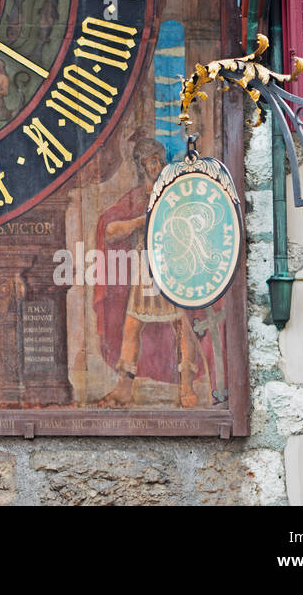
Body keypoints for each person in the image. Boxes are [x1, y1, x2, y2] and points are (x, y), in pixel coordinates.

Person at [94, 137, 200, 409]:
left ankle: (186, 385)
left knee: (182, 325)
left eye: (159, 159)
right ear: (142, 166)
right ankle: (124, 388)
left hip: (173, 265)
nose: (157, 165)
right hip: (146, 268)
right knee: (131, 327)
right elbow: (111, 229)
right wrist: (142, 220)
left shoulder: (173, 191)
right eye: (151, 161)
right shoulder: (137, 196)